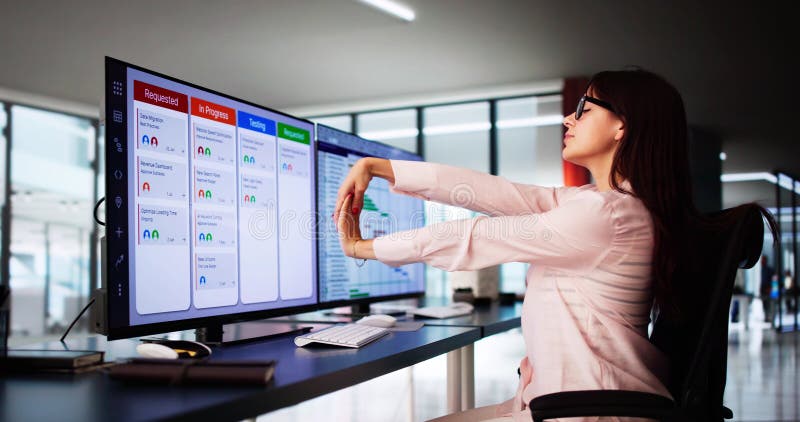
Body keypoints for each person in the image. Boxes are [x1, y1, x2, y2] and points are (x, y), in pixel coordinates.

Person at [333, 68, 774, 421]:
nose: (569, 119)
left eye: (585, 109)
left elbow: (476, 236)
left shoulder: (607, 215)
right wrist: (381, 167)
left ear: (622, 125)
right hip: (572, 402)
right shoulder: (599, 204)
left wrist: (363, 247)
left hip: (592, 410)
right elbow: (496, 192)